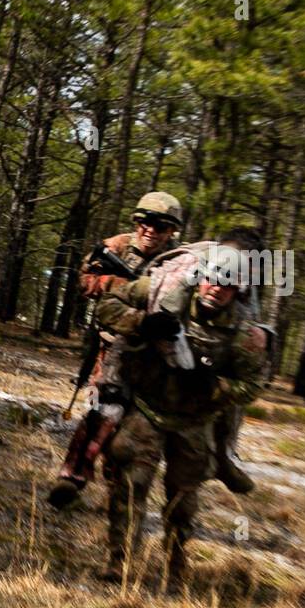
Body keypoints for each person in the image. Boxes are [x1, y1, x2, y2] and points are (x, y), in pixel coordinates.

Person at [94, 230, 269, 589]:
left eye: (227, 285)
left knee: (183, 500)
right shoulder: (161, 290)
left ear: (239, 291)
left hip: (195, 420)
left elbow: (252, 386)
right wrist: (143, 323)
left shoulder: (245, 334)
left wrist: (215, 386)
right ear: (201, 276)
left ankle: (175, 568)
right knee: (130, 486)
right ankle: (120, 564)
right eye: (212, 280)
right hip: (148, 408)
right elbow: (106, 306)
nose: (216, 289)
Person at [48, 192, 183, 509]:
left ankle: (115, 487)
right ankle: (71, 477)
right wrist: (128, 288)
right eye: (145, 222)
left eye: (161, 225)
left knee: (134, 423)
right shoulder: (115, 247)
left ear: (171, 231)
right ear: (136, 223)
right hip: (111, 347)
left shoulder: (179, 259)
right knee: (99, 413)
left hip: (153, 355)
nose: (151, 230)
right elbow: (86, 283)